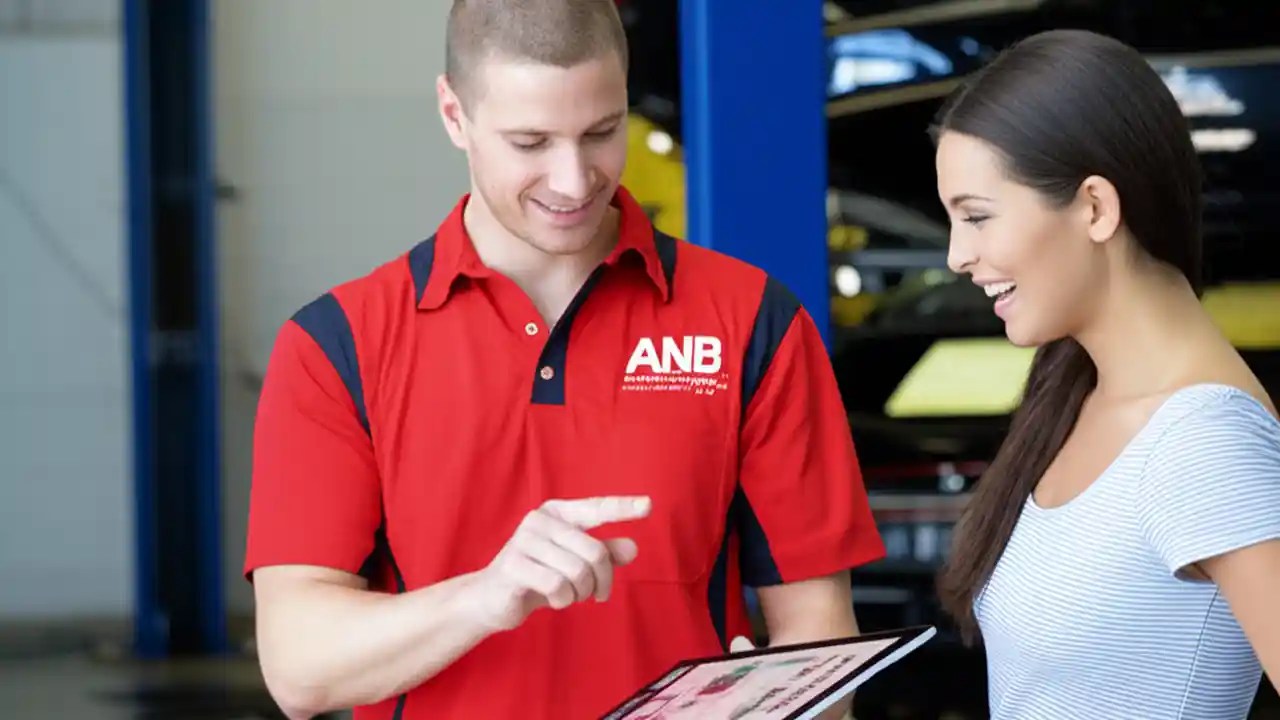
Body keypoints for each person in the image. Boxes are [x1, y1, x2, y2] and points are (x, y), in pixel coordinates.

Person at [242, 1, 885, 718]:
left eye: (602, 133)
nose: (574, 181)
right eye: (530, 142)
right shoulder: (339, 346)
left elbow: (819, 635)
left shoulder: (753, 323)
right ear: (453, 114)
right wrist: (487, 596)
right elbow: (300, 671)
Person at [931, 29, 1280, 719]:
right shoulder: (1072, 398)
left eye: (976, 217)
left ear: (1095, 207)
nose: (955, 256)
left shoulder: (1206, 440)